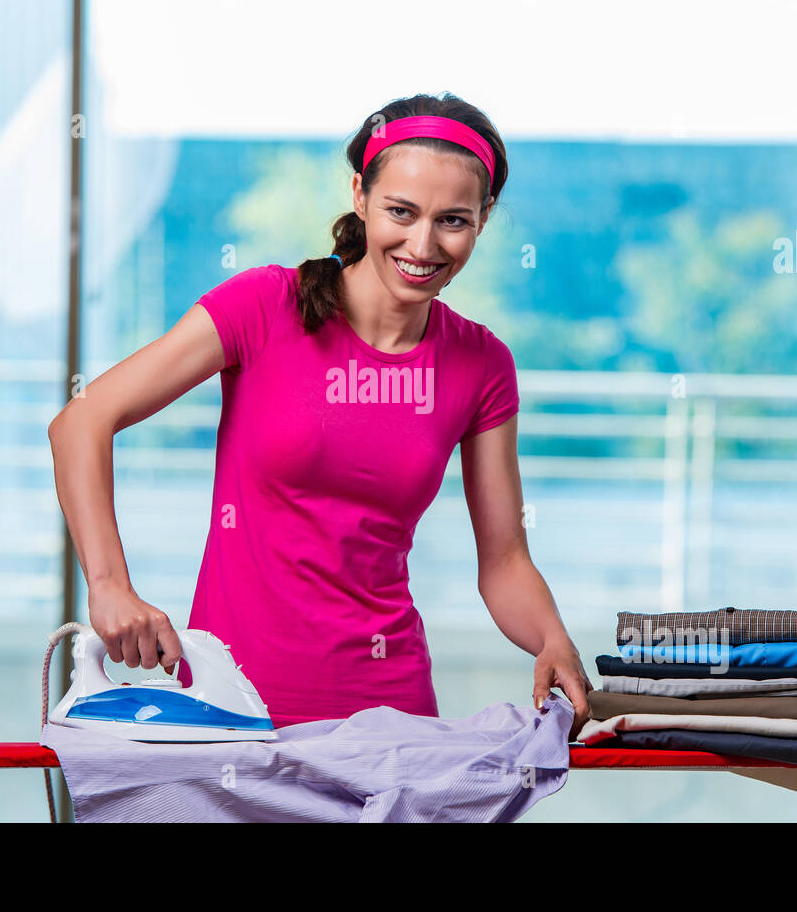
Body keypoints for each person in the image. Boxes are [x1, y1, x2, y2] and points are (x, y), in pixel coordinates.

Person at [48, 92, 591, 739]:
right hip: (232, 712)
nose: (423, 244)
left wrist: (552, 638)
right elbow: (82, 420)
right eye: (401, 211)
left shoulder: (482, 364)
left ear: (483, 217)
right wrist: (109, 585)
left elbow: (503, 562)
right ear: (360, 195)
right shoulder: (262, 307)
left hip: (389, 721)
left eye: (452, 220)